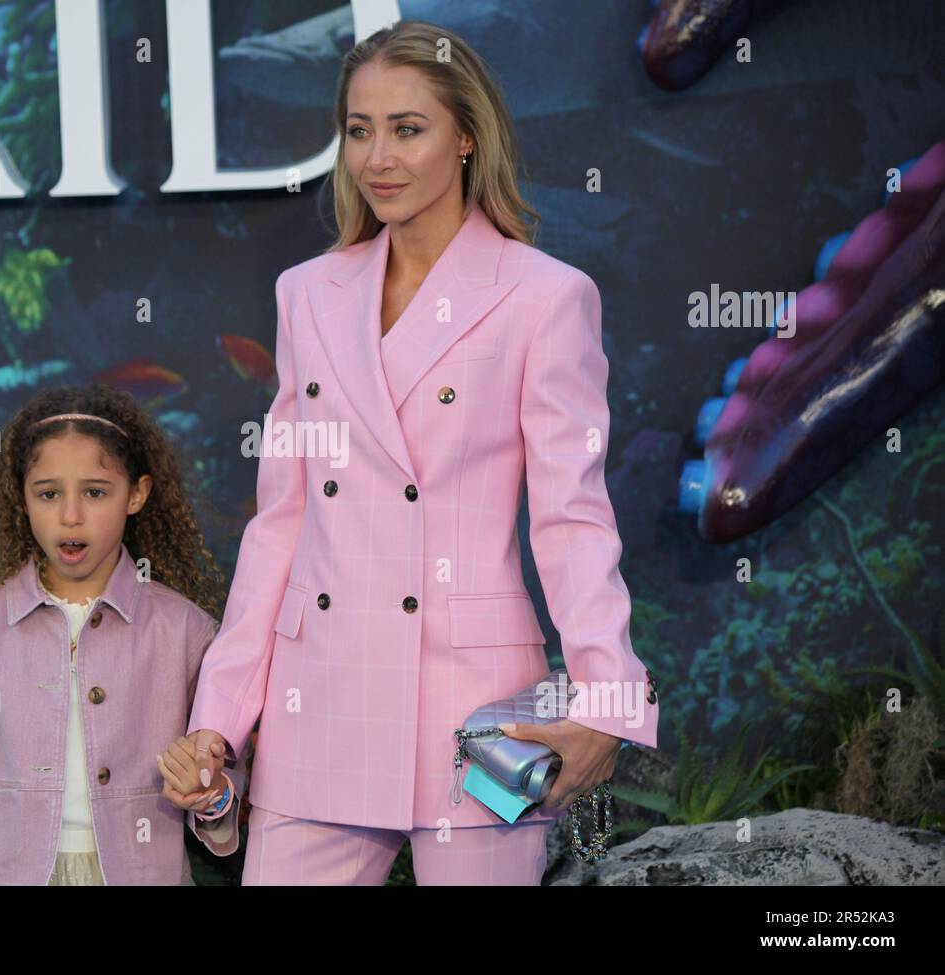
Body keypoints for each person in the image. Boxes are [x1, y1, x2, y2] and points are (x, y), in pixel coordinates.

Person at [172, 19, 660, 885]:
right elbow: (279, 528)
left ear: (467, 135)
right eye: (359, 130)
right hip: (317, 697)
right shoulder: (307, 295)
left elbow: (573, 516)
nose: (377, 157)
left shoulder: (545, 298)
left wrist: (609, 701)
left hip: (474, 717)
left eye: (408, 128)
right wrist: (222, 714)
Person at [0, 384, 248, 885]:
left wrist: (212, 791)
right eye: (48, 493)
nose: (70, 515)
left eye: (95, 492)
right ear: (22, 498)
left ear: (137, 493)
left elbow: (229, 788)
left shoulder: (186, 632)